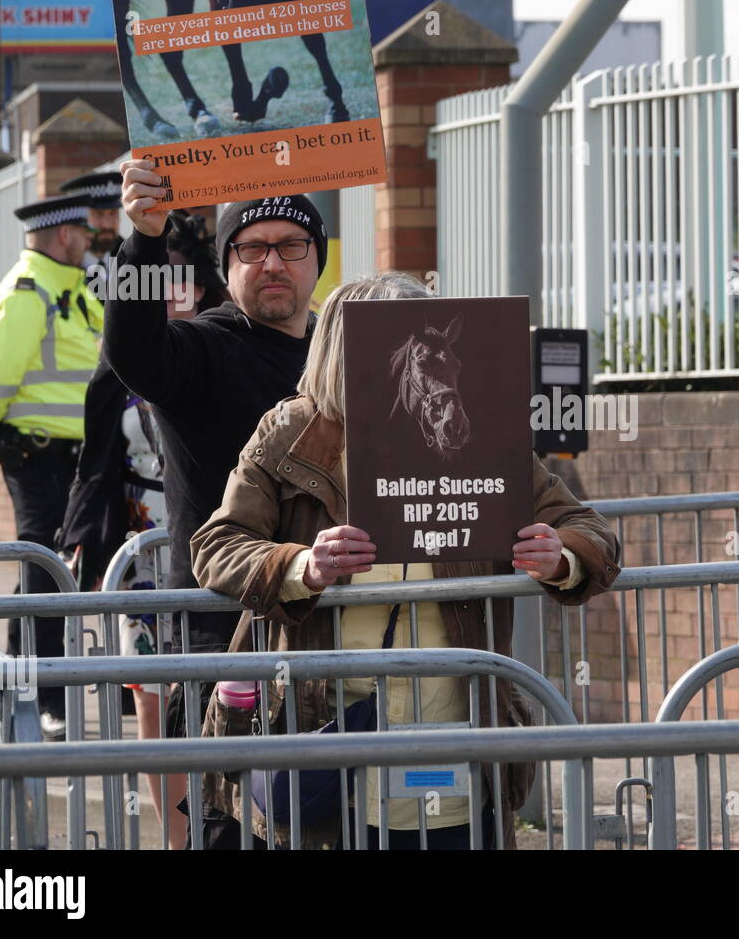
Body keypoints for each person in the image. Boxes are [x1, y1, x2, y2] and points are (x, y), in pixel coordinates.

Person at [188, 272, 622, 850]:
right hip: (328, 736)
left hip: (458, 738)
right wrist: (301, 566)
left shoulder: (479, 432)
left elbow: (592, 530)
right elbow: (218, 545)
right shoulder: (289, 433)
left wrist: (561, 555)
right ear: (348, 352)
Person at [107, 160, 325, 686]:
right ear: (227, 269)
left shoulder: (341, 352)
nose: (273, 263)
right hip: (223, 631)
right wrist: (144, 239)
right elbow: (133, 352)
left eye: (292, 245)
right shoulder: (205, 347)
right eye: (251, 249)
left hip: (328, 627)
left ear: (318, 259)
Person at [56, 211, 225, 847]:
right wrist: (80, 534)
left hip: (212, 547)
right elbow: (94, 459)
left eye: (181, 281)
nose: (171, 292)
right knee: (152, 699)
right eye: (158, 282)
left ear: (204, 287)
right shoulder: (124, 357)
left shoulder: (227, 346)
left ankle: (229, 824)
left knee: (221, 694)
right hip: (140, 554)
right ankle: (178, 839)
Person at [0, 193, 104, 740]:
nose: (91, 241)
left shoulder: (71, 287)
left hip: (72, 455)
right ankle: (43, 698)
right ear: (64, 235)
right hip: (35, 452)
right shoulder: (29, 290)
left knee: (45, 569)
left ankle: (20, 682)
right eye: (85, 233)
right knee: (43, 566)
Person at [60, 170, 124, 277]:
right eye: (98, 214)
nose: (107, 224)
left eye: (113, 213)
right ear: (78, 218)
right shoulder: (63, 269)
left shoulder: (133, 261)